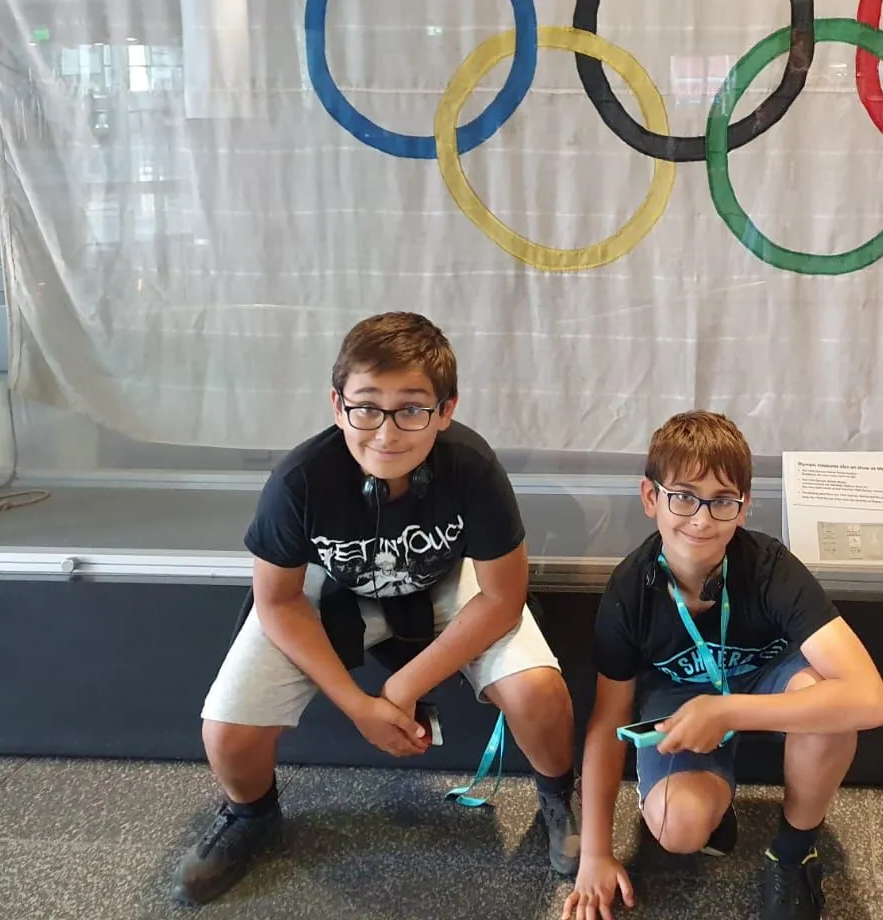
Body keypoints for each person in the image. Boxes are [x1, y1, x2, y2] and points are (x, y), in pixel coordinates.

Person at [171, 313, 580, 906]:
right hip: (331, 590)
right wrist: (359, 706)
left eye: (412, 409)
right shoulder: (299, 479)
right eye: (366, 407)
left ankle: (558, 795)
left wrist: (403, 687)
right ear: (337, 406)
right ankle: (251, 815)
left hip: (444, 584)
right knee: (227, 731)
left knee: (541, 692)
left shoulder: (473, 467)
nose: (386, 433)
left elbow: (502, 596)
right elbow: (278, 600)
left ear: (445, 410)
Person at [564, 411, 883, 920]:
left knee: (833, 711)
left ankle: (793, 849)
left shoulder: (769, 567)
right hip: (678, 697)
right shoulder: (630, 590)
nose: (701, 519)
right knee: (678, 829)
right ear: (651, 498)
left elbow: (870, 700)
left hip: (765, 683)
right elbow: (609, 721)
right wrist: (596, 853)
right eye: (684, 496)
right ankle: (715, 803)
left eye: (721, 501)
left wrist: (728, 712)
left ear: (744, 507)